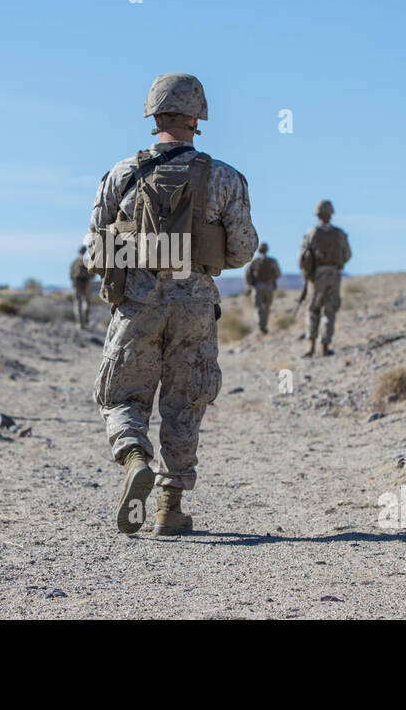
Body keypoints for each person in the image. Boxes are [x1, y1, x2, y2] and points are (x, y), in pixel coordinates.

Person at [88, 72, 257, 536]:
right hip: (195, 305)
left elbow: (94, 249)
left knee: (122, 395)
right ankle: (169, 506)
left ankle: (134, 456)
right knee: (186, 401)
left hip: (137, 304)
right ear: (198, 116)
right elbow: (243, 250)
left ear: (154, 114)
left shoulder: (121, 174)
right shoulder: (224, 177)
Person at [298, 200, 350, 356]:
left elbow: (302, 257)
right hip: (334, 274)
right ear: (330, 214)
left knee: (313, 309)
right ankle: (325, 346)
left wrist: (308, 273)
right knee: (329, 310)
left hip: (316, 275)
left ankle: (310, 345)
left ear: (318, 214)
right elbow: (347, 254)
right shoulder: (339, 234)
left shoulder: (311, 233)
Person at [243, 242, 281, 333]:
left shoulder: (254, 261)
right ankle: (263, 324)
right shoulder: (272, 261)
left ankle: (261, 325)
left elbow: (247, 274)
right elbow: (278, 273)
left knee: (258, 307)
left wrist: (250, 284)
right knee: (266, 307)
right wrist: (272, 281)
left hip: (257, 286)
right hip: (269, 286)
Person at [69, 245, 92, 328]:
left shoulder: (75, 262)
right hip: (86, 284)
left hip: (77, 285)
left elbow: (71, 274)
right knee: (86, 302)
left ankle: (80, 323)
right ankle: (84, 320)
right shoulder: (88, 261)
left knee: (77, 304)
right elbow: (92, 274)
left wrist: (74, 282)